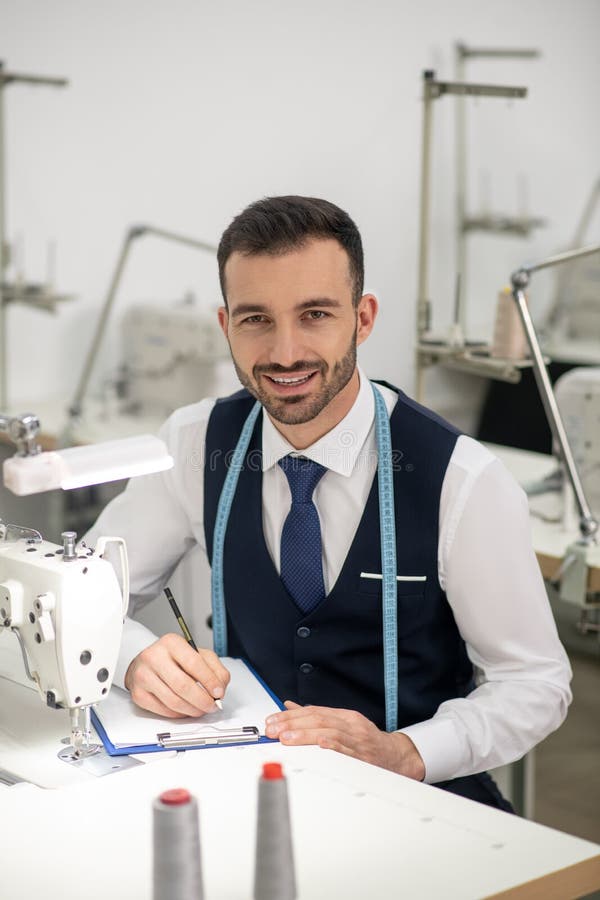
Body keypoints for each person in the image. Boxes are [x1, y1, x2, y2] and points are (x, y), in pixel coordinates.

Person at [87, 195, 571, 810]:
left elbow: (535, 682)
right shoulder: (194, 444)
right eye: (256, 319)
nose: (285, 352)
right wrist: (132, 658)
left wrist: (407, 751)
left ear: (363, 319)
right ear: (225, 325)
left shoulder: (461, 478)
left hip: (424, 799)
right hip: (254, 786)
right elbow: (83, 592)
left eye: (314, 314)